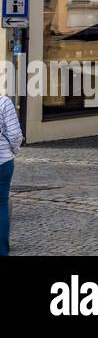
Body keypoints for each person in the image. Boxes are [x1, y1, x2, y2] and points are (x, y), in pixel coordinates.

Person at [0, 94, 22, 257]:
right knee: (1, 206)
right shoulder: (3, 102)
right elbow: (15, 135)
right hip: (2, 161)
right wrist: (12, 150)